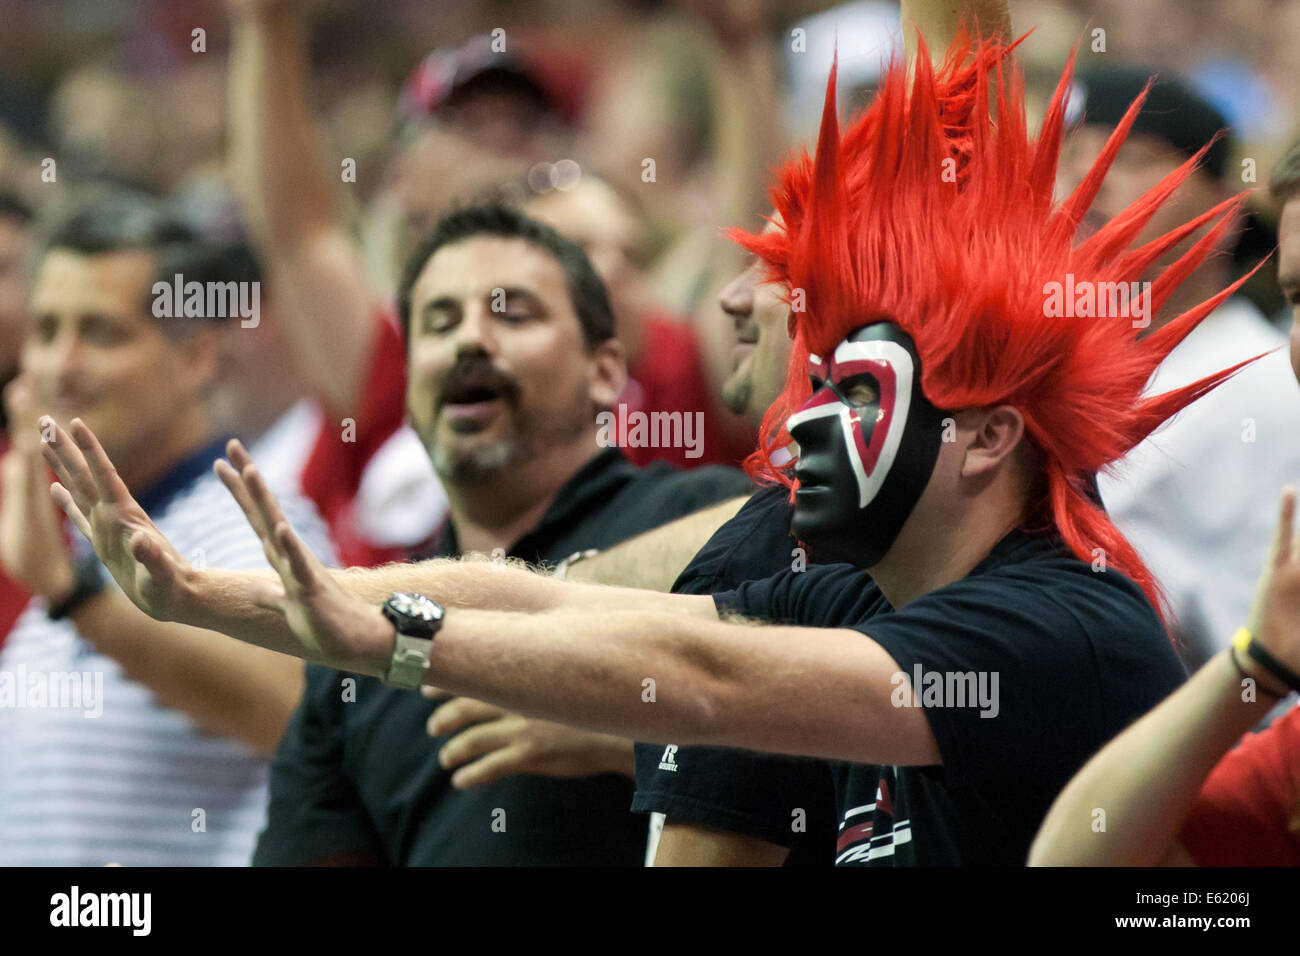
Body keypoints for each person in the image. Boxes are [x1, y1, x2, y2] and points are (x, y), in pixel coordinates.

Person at [44, 28, 1260, 866]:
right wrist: (235, 597)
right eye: (812, 379)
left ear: (990, 433)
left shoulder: (1059, 625)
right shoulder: (844, 583)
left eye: (852, 388)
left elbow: (701, 672)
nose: (801, 420)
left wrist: (374, 634)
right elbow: (558, 605)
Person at [0, 192, 334, 866]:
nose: (60, 366)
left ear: (197, 358)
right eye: (46, 330)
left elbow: (303, 720)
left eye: (100, 332)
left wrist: (76, 599)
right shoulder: (68, 549)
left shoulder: (254, 523)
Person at [1028, 136, 1300, 867]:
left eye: (1137, 155)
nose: (1097, 184)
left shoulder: (1251, 376)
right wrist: (1255, 668)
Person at [1060, 66, 1300, 669]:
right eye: (1073, 158)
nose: (1091, 181)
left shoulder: (1268, 377)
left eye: (1132, 156)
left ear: (1225, 210)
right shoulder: (1052, 376)